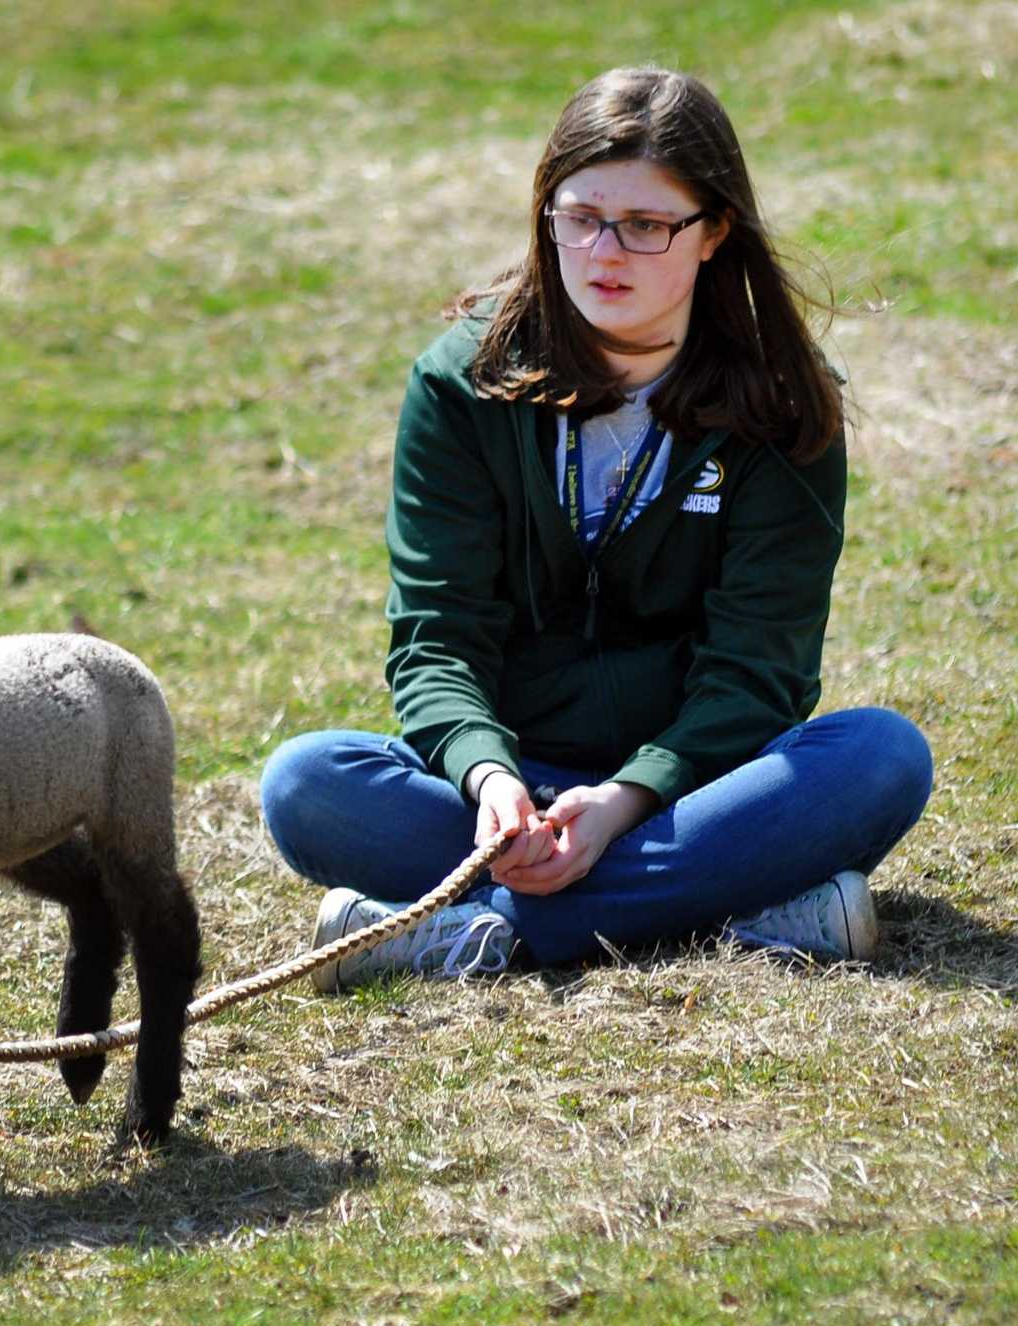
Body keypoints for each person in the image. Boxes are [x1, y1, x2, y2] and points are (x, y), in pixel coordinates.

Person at [258, 66, 934, 991]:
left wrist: (624, 802)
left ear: (714, 232)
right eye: (578, 217)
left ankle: (479, 931)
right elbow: (436, 639)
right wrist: (491, 784)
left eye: (647, 225)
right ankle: (748, 915)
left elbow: (761, 670)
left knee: (881, 757)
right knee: (303, 786)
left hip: (694, 789)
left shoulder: (782, 401)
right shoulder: (462, 384)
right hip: (505, 794)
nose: (604, 252)